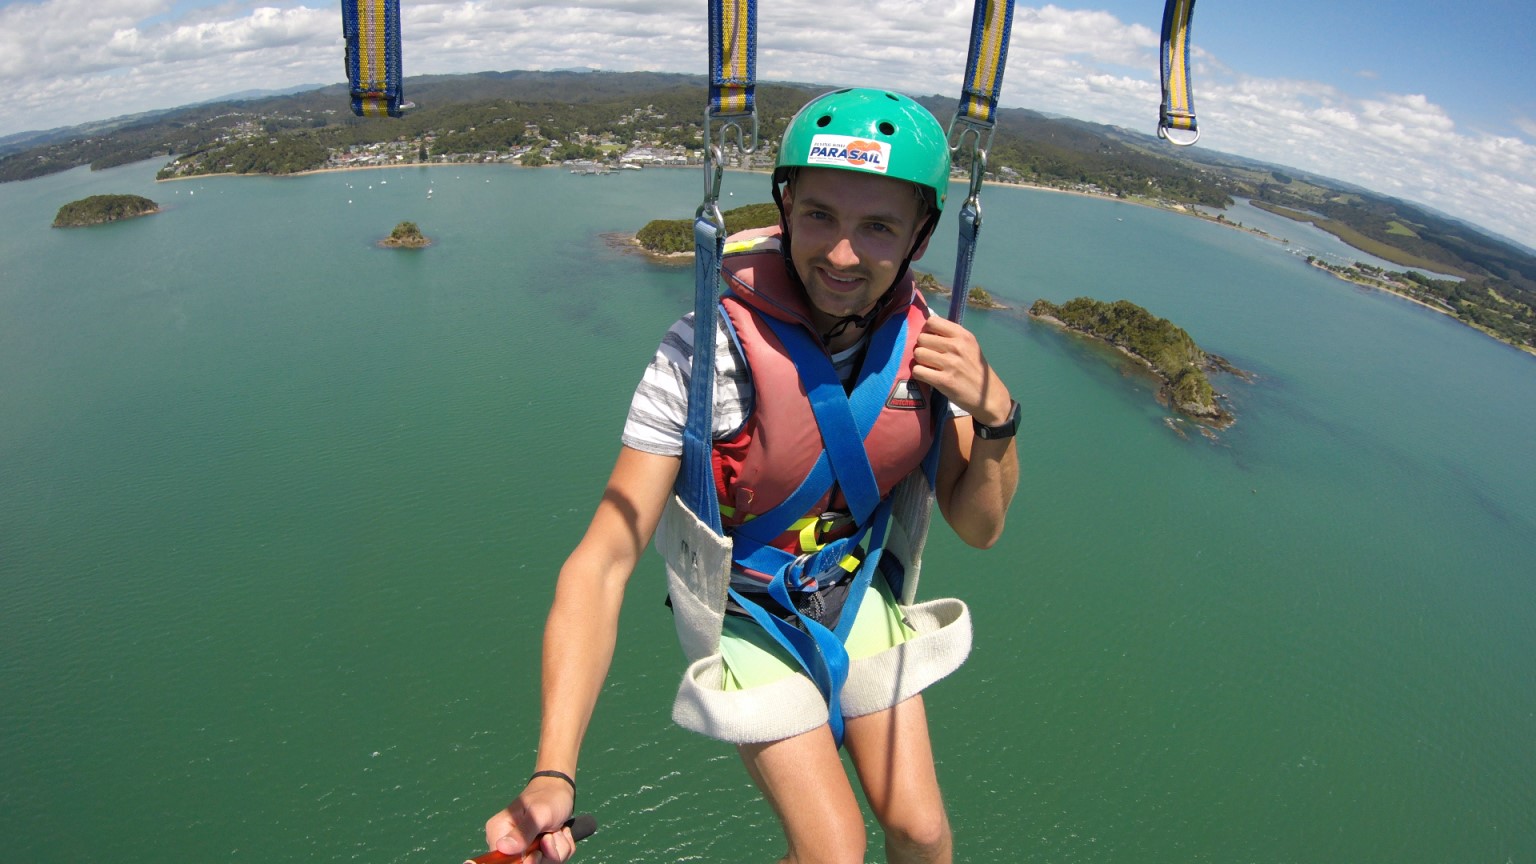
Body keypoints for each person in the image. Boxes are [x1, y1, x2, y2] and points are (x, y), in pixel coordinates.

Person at [483, 88, 1020, 864]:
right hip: (745, 606)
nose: (841, 254)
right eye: (820, 217)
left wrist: (996, 413)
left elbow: (980, 526)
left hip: (852, 585)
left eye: (877, 228)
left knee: (923, 831)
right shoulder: (704, 357)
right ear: (785, 206)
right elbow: (603, 558)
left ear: (920, 237)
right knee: (832, 850)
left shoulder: (930, 353)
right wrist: (552, 772)